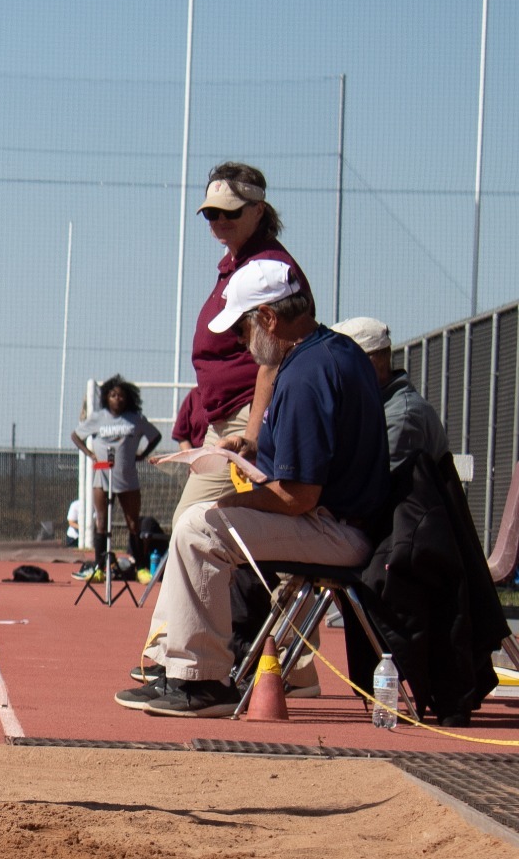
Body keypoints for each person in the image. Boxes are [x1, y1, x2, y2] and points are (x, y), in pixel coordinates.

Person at [117, 260, 387, 717]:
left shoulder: (304, 374)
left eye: (241, 330)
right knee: (204, 523)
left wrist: (232, 500)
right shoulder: (335, 352)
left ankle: (199, 681)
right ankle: (189, 668)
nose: (241, 344)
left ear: (267, 319)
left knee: (199, 527)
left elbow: (298, 496)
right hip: (350, 522)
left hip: (337, 531)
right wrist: (252, 444)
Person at [167, 163, 312, 529]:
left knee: (200, 524)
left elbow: (278, 355)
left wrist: (252, 434)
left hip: (250, 416)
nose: (218, 220)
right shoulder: (236, 264)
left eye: (229, 211)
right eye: (211, 213)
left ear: (259, 210)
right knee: (197, 524)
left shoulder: (270, 272)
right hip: (226, 419)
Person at [330, 317, 451, 468]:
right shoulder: (375, 405)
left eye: (338, 362)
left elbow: (375, 485)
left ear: (370, 363)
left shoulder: (400, 416)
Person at [70, 375, 162, 568]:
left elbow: (155, 436)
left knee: (133, 523)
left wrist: (142, 454)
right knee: (101, 522)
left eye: (121, 395)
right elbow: (76, 435)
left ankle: (141, 566)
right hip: (102, 477)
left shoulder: (135, 420)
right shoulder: (97, 418)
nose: (117, 399)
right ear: (106, 397)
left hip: (127, 477)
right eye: (113, 395)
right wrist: (90, 453)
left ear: (128, 398)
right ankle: (99, 566)